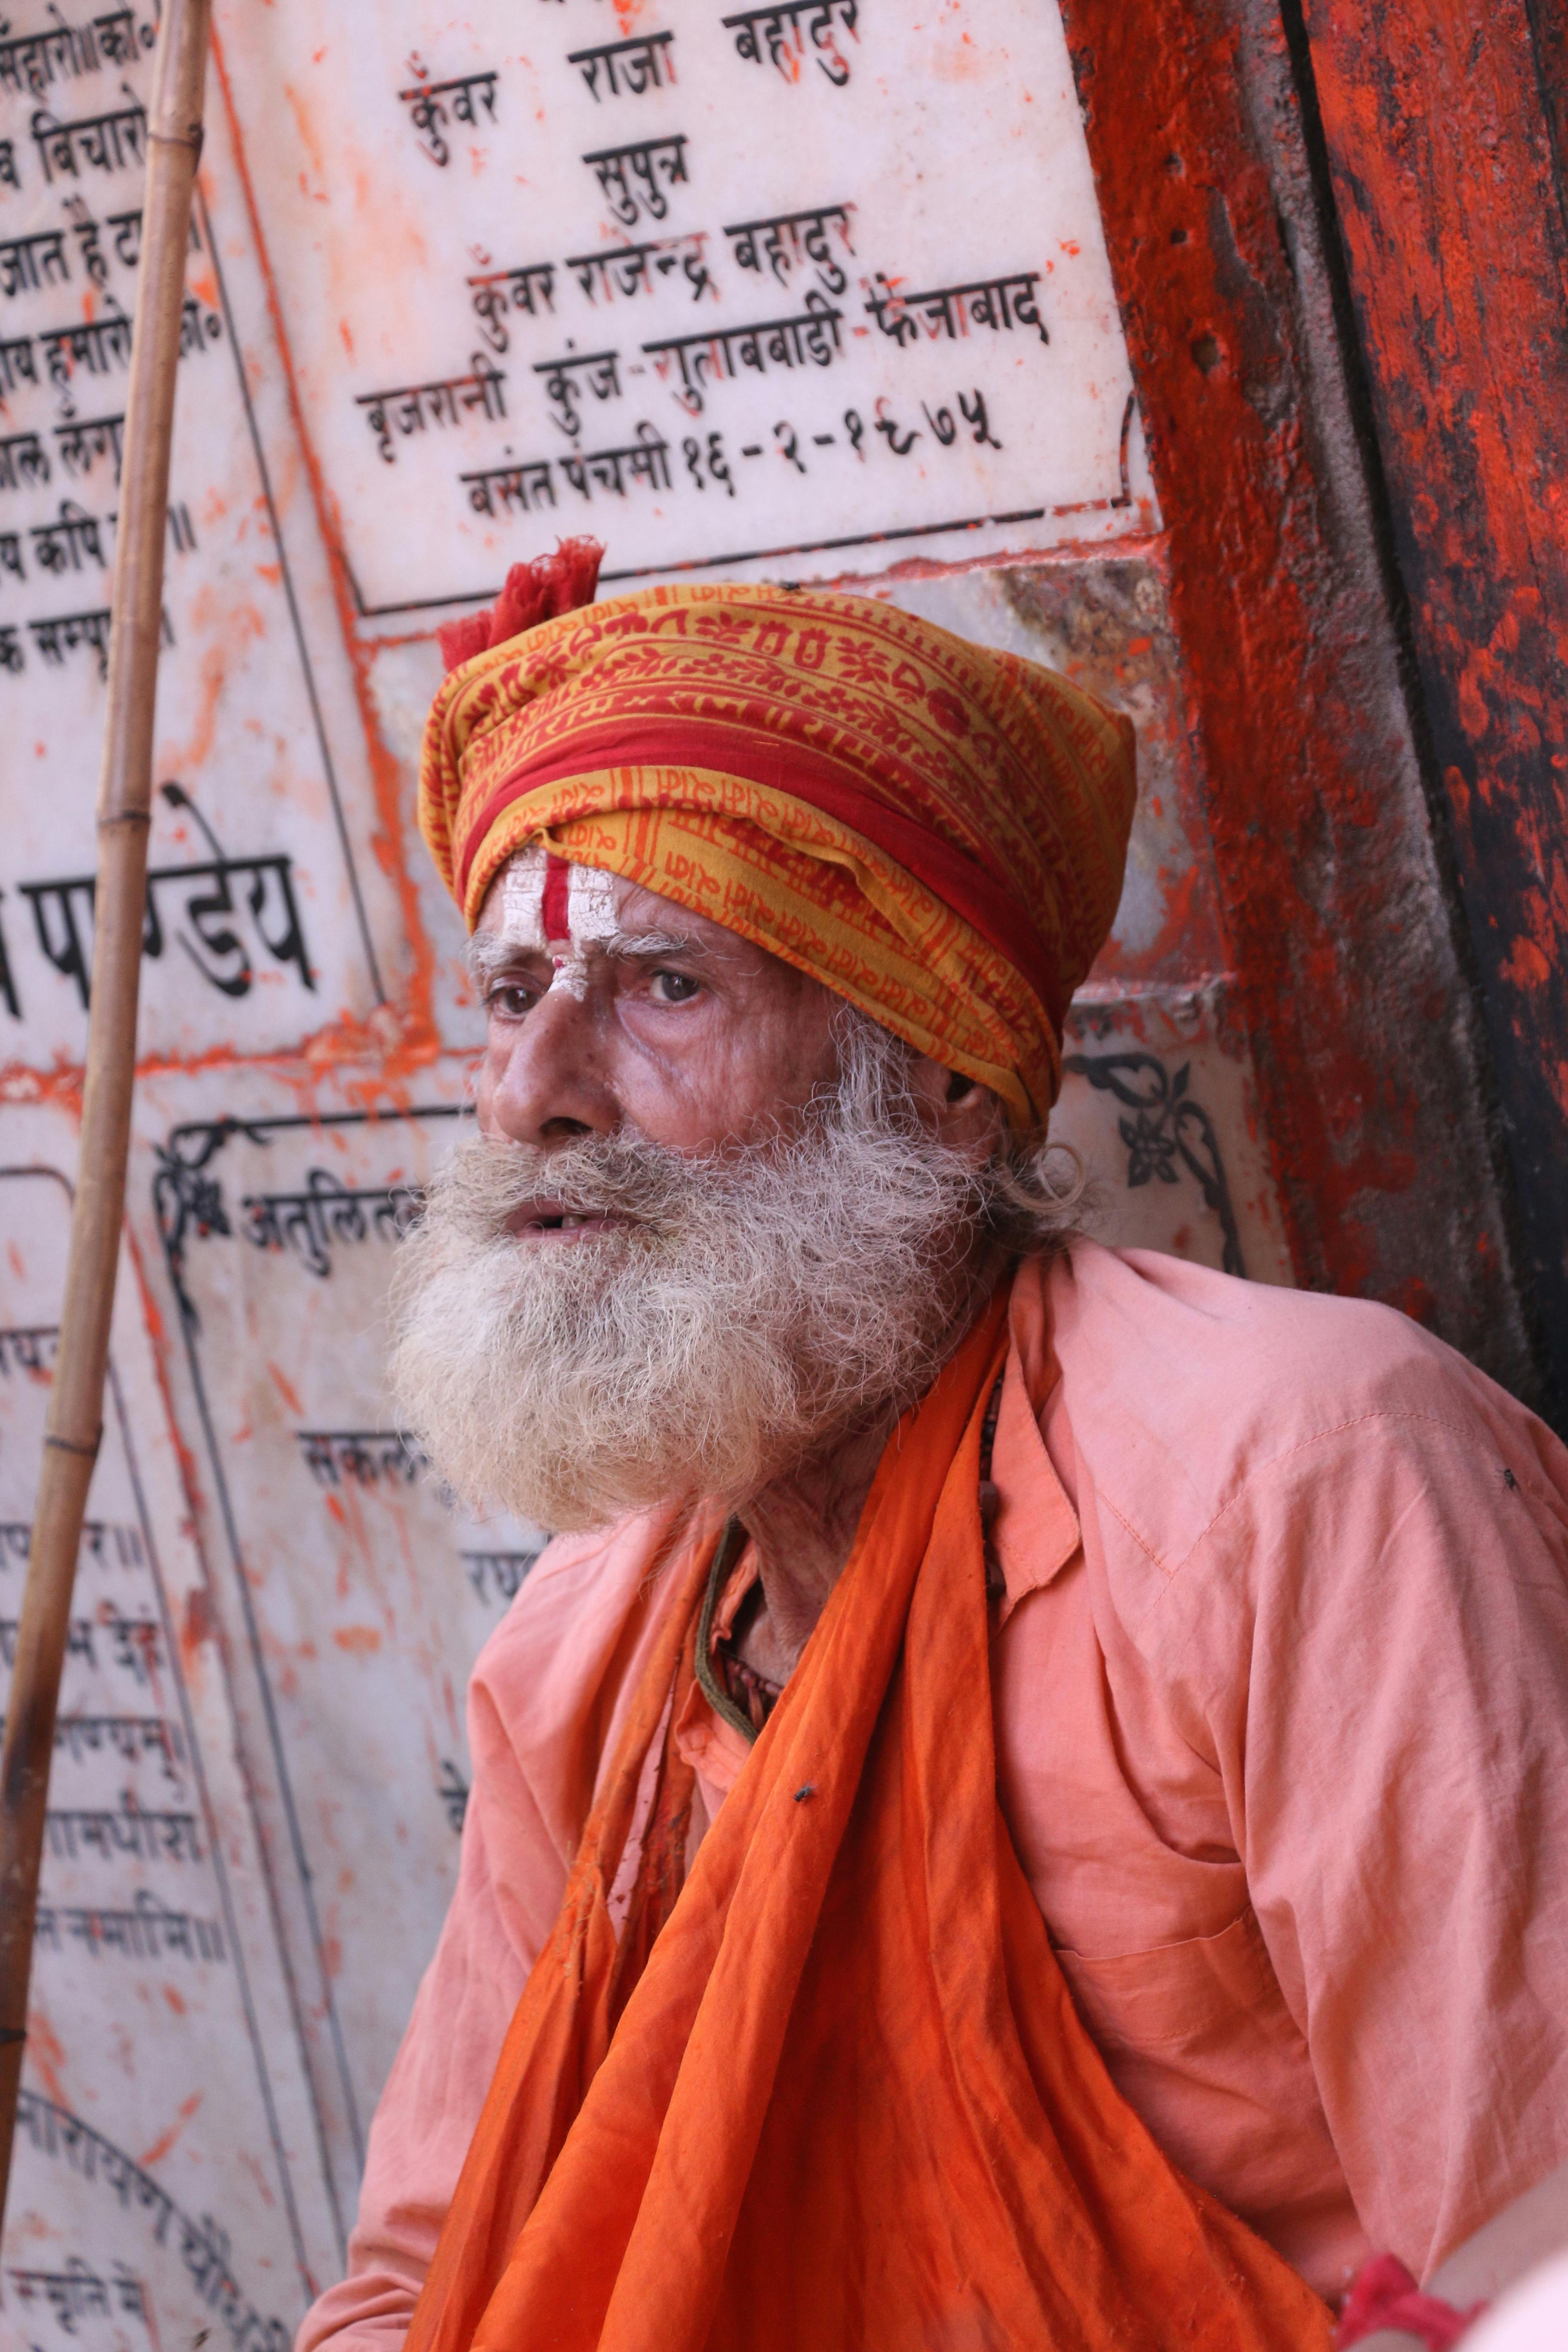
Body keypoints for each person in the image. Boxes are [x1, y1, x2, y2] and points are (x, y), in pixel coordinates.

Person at [300, 542, 1568, 2352]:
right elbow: (421, 2286)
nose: (529, 1093)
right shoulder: (579, 1656)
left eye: (664, 988)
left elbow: (1531, 2267)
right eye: (514, 998)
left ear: (947, 1078)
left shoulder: (1303, 1477)